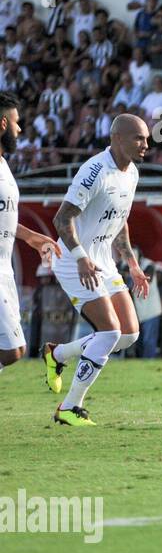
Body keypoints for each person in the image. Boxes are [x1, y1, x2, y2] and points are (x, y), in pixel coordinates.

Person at [41, 113, 151, 425]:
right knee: (109, 332)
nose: (146, 144)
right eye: (138, 138)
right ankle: (69, 408)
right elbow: (62, 219)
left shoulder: (131, 173)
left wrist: (132, 264)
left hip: (102, 260)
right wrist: (79, 257)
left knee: (128, 335)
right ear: (117, 139)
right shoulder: (94, 171)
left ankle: (58, 354)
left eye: (146, 139)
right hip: (73, 261)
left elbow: (120, 220)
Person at [0, 95, 62, 376]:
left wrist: (29, 237)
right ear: (3, 124)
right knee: (12, 351)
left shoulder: (4, 166)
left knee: (17, 350)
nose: (20, 129)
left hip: (5, 269)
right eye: (16, 122)